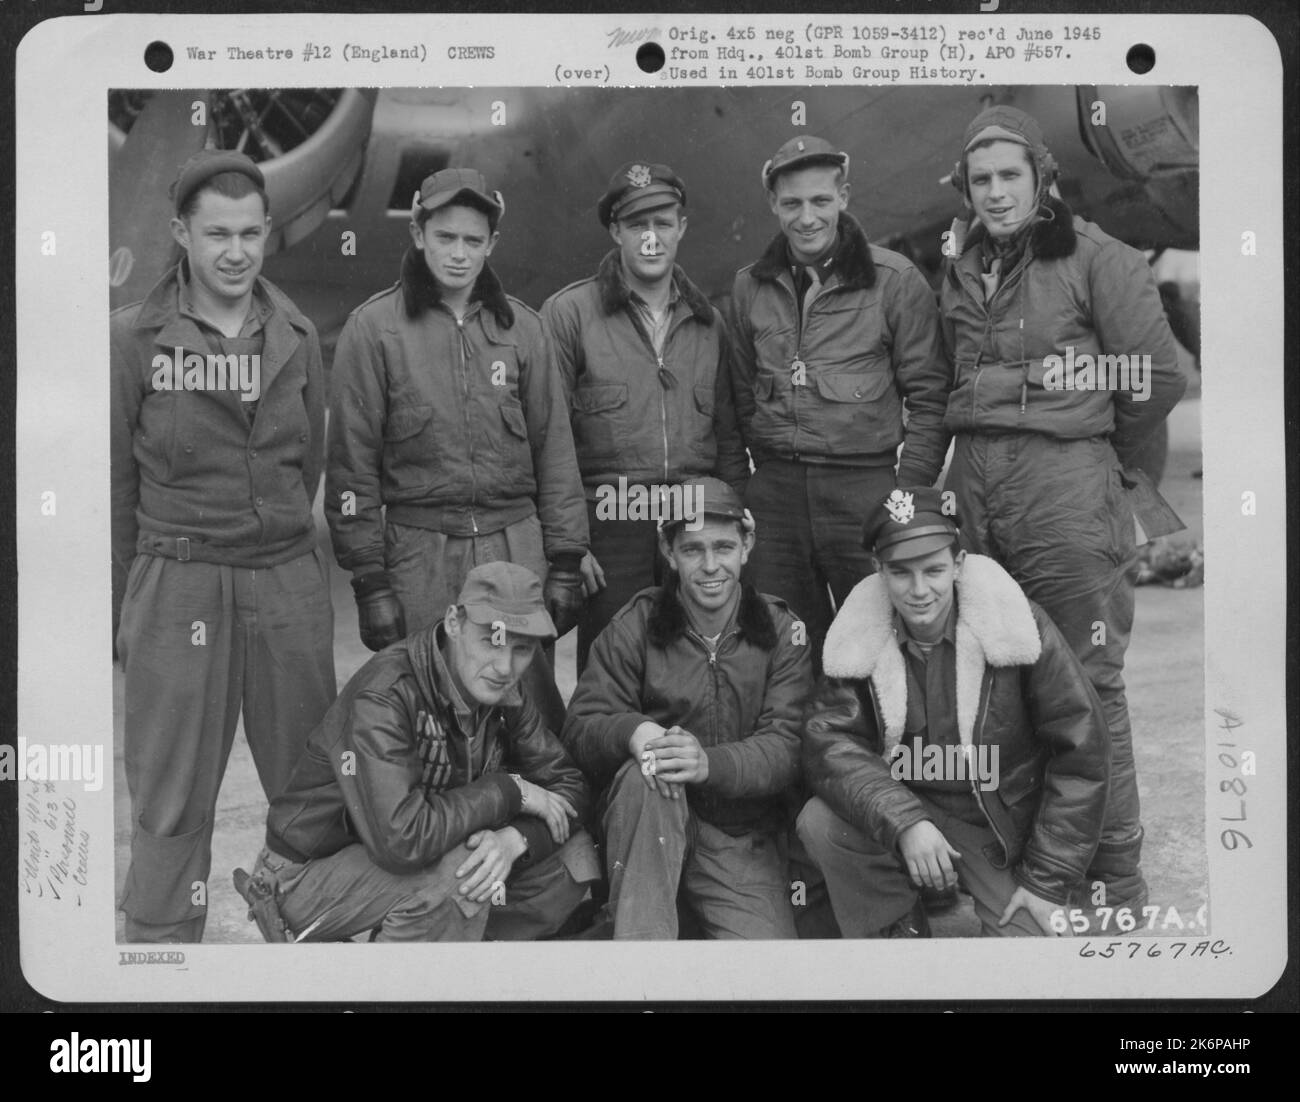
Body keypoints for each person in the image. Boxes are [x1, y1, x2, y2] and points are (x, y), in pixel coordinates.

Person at [939, 105, 1187, 913]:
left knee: (1088, 686)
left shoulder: (1096, 258)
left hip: (1065, 496)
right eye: (982, 180)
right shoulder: (965, 264)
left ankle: (1116, 879)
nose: (997, 193)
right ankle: (1043, 870)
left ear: (1043, 178)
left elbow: (1152, 380)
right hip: (980, 496)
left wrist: (1092, 454)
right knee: (1009, 683)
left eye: (1011, 176)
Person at [111, 149, 336, 942]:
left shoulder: (298, 333)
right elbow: (115, 494)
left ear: (269, 232)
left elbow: (307, 462)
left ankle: (315, 945)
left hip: (284, 582)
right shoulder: (132, 339)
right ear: (181, 234)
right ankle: (161, 962)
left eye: (250, 233)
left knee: (314, 785)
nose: (235, 252)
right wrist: (130, 618)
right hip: (179, 581)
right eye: (216, 235)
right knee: (170, 797)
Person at [326, 167, 588, 727]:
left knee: (527, 710)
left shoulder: (526, 330)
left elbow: (556, 454)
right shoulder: (372, 330)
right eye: (445, 237)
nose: (459, 255)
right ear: (418, 233)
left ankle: (527, 809)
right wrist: (370, 580)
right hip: (421, 552)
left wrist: (565, 560)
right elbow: (353, 469)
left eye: (473, 241)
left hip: (516, 546)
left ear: (491, 244)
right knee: (427, 709)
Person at [797, 487, 1111, 937]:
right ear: (878, 570)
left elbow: (1083, 751)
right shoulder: (859, 633)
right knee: (820, 822)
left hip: (995, 826)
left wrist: (1046, 879)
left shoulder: (1017, 624)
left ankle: (972, 893)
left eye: (934, 570)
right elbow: (829, 744)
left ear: (959, 565)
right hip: (906, 811)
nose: (919, 590)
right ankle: (897, 925)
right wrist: (903, 821)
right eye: (901, 573)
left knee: (1029, 962)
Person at [250, 562, 600, 942]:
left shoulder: (504, 690)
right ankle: (393, 988)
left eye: (522, 649)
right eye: (491, 641)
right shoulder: (386, 694)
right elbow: (403, 840)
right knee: (464, 872)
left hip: (408, 867)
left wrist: (516, 838)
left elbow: (568, 785)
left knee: (574, 856)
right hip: (304, 876)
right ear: (454, 622)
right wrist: (508, 791)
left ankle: (432, 948)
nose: (504, 667)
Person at [727, 135, 951, 672]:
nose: (807, 218)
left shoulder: (895, 282)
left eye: (821, 201)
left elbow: (930, 397)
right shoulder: (748, 289)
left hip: (865, 492)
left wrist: (908, 495)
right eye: (792, 203)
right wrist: (741, 494)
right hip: (776, 498)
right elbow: (733, 400)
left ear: (844, 197)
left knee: (881, 645)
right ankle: (803, 754)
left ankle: (884, 754)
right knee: (785, 648)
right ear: (773, 205)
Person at [562, 477, 812, 939]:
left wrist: (708, 764)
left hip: (737, 834)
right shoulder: (633, 624)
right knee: (648, 775)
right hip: (648, 826)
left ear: (747, 544)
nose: (711, 566)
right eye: (693, 550)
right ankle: (641, 961)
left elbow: (786, 747)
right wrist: (632, 731)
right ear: (668, 551)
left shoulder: (782, 631)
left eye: (724, 547)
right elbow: (580, 727)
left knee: (770, 980)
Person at [542, 162, 750, 673]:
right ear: (616, 232)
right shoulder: (569, 315)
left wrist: (735, 531)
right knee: (610, 672)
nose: (651, 239)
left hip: (691, 524)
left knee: (694, 670)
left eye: (662, 223)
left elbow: (727, 440)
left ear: (681, 227)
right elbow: (546, 442)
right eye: (637, 226)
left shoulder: (708, 324)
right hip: (608, 524)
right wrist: (568, 547)